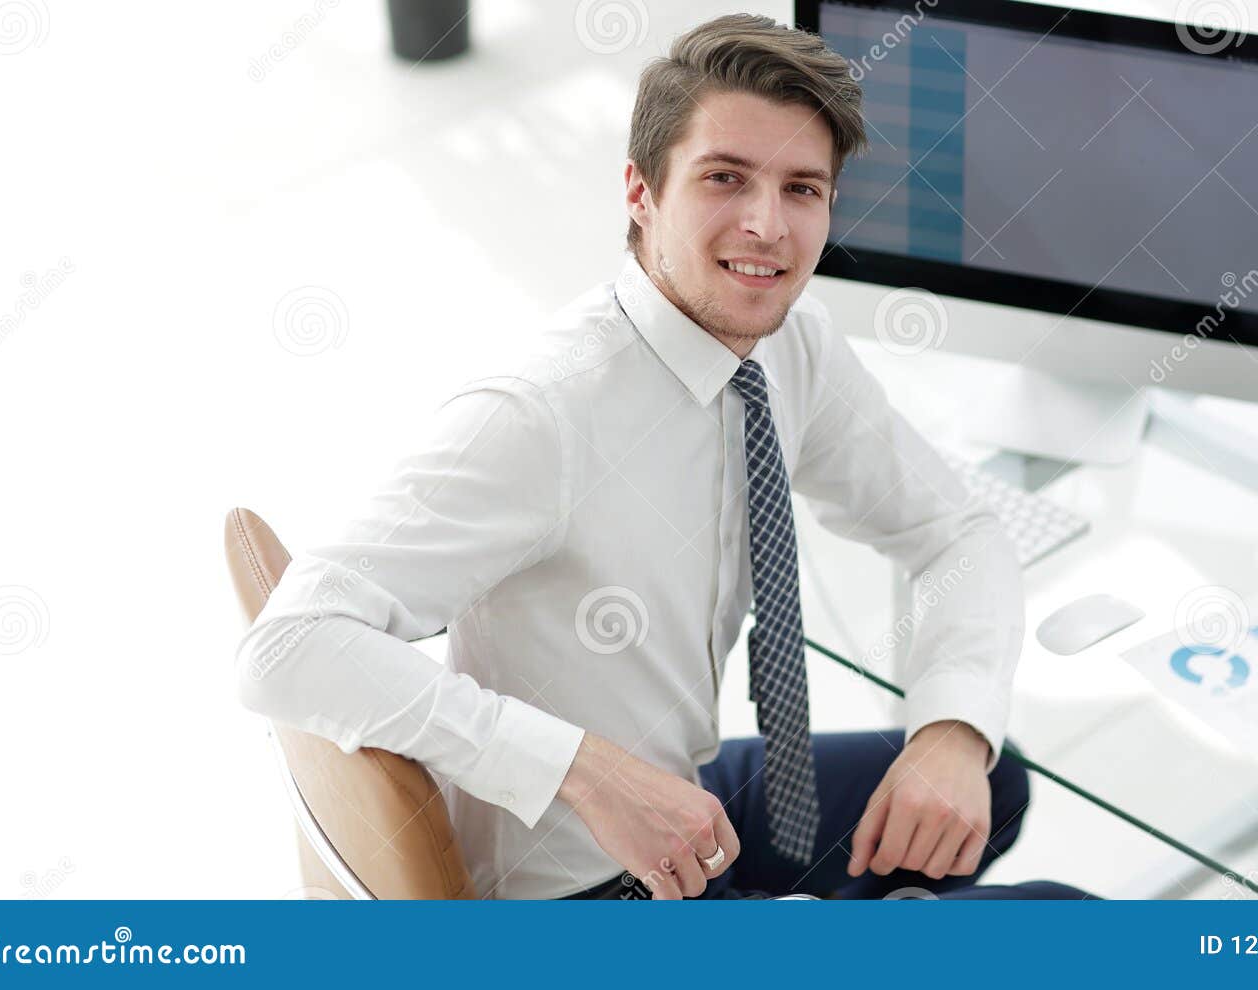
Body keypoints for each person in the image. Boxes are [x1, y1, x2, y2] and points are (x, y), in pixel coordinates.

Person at [236, 13, 1093, 901]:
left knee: (988, 776)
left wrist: (949, 731)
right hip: (579, 890)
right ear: (641, 192)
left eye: (803, 189)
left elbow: (957, 531)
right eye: (726, 178)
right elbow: (286, 649)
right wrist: (582, 771)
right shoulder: (540, 416)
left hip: (684, 802)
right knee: (1072, 921)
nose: (767, 226)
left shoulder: (790, 345)